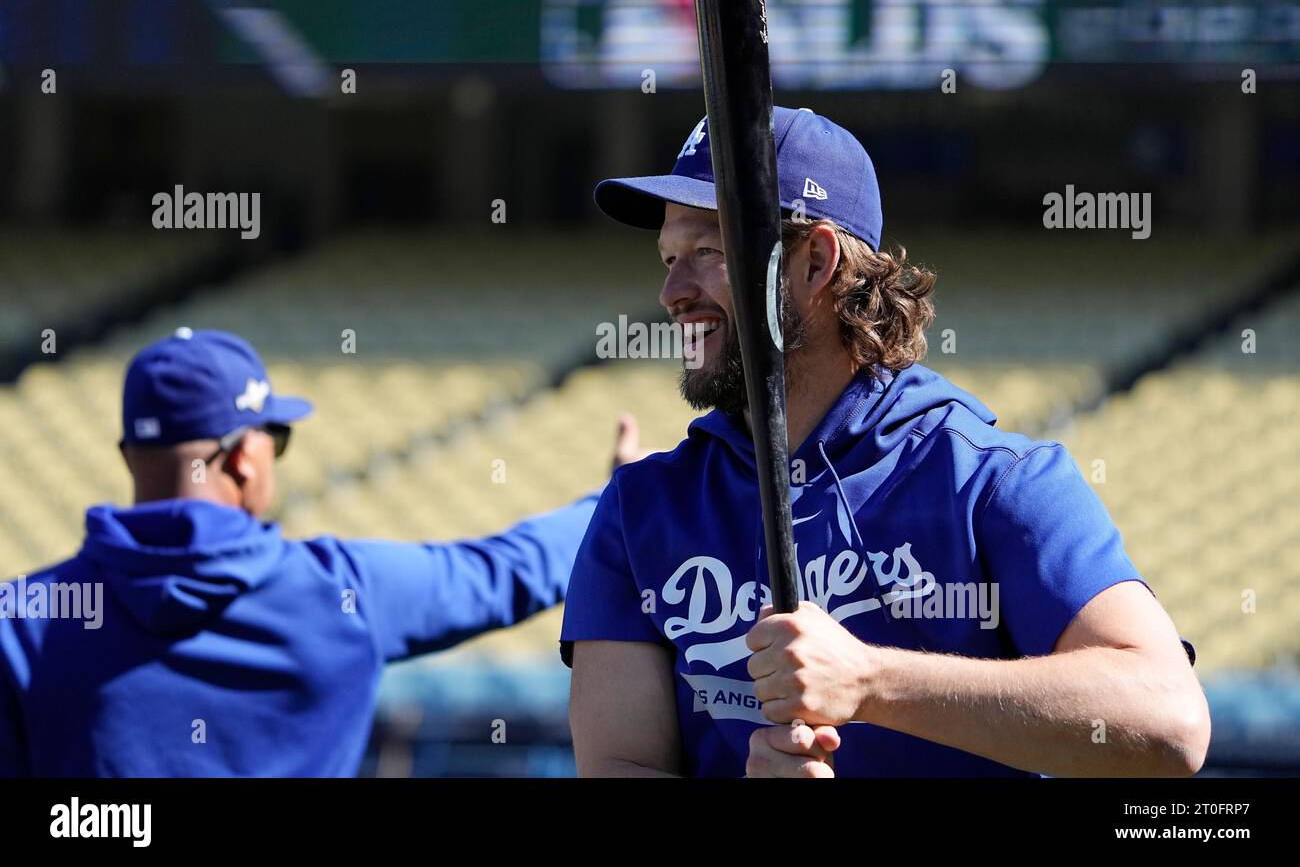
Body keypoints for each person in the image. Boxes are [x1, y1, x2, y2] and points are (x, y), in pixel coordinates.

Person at [562, 106, 1210, 778]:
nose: (672, 292)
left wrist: (871, 683)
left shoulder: (993, 480)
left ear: (815, 261)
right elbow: (618, 764)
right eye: (669, 258)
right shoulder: (641, 507)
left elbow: (1169, 724)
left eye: (706, 253)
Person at [0, 328, 637, 776]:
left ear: (126, 457)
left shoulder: (24, 615)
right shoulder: (346, 592)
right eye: (275, 439)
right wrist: (614, 502)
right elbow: (507, 571)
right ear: (247, 459)